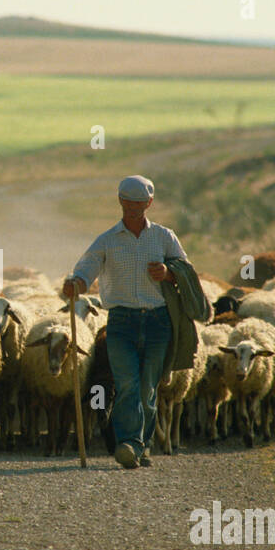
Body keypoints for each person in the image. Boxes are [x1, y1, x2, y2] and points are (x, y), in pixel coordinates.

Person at [63, 175, 188, 469]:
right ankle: (129, 443)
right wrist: (76, 284)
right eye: (129, 202)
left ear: (149, 203)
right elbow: (87, 268)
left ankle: (143, 445)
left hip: (158, 321)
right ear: (120, 201)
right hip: (121, 321)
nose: (134, 208)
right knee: (127, 383)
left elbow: (186, 269)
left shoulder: (164, 237)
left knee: (148, 386)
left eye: (140, 203)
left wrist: (168, 273)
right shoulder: (107, 240)